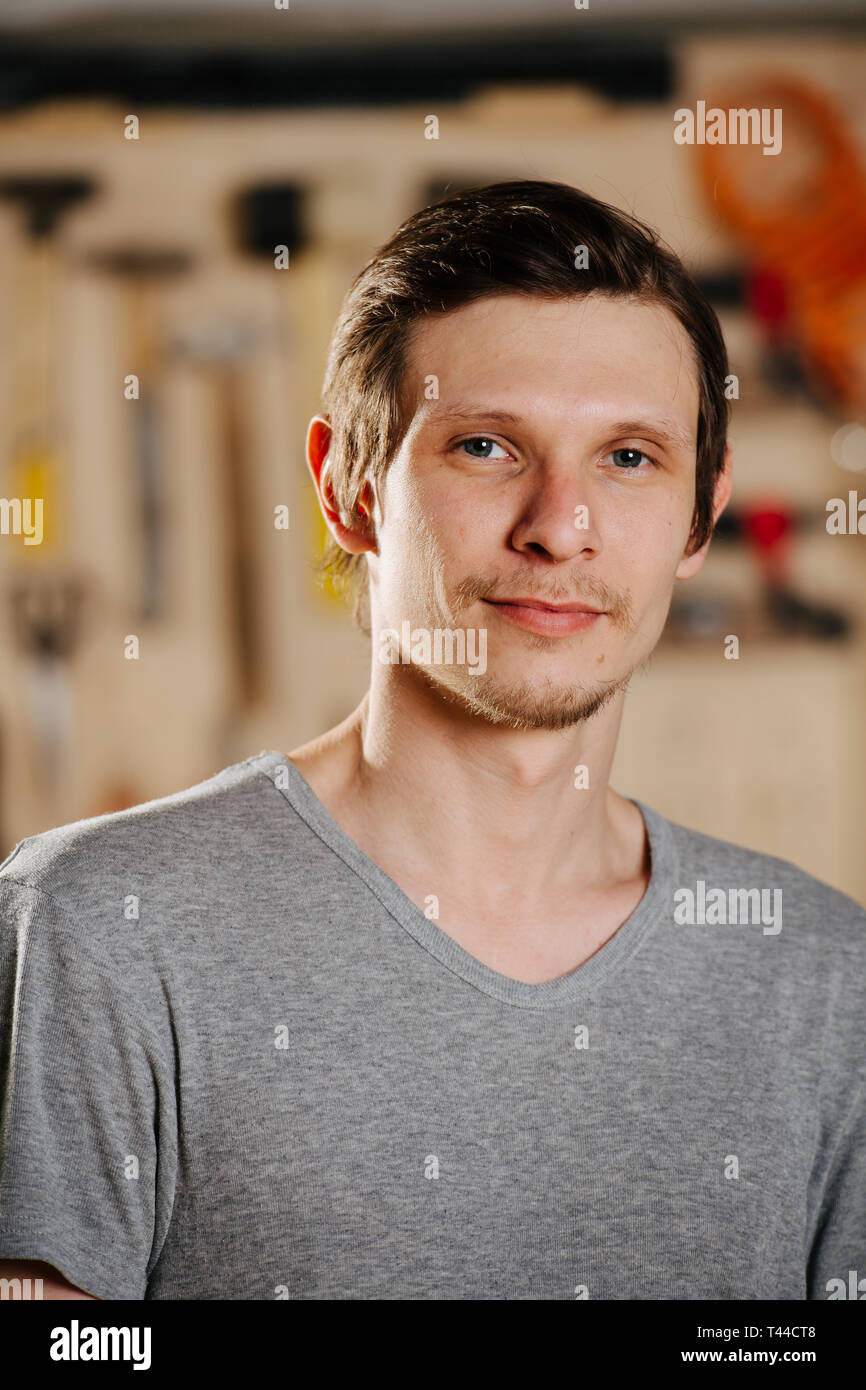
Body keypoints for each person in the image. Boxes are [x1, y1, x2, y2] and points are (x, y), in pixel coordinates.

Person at [1, 181, 863, 1301]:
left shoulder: (821, 976)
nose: (559, 525)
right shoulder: (99, 931)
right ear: (346, 490)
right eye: (486, 447)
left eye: (630, 458)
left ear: (701, 514)